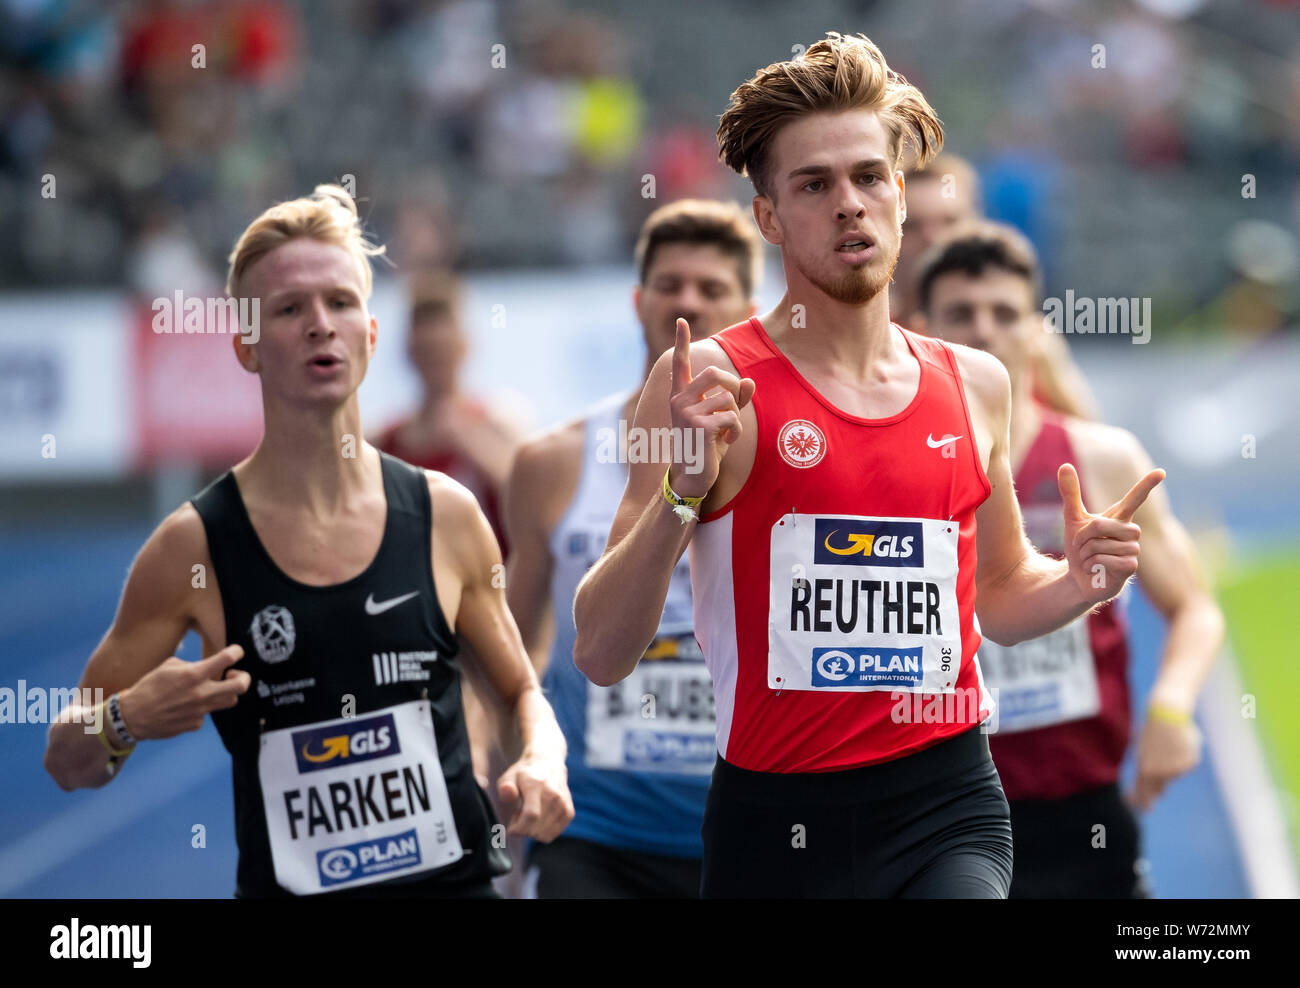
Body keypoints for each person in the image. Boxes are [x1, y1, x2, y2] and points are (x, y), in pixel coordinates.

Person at [572, 32, 1164, 899]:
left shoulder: (975, 383)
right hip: (775, 824)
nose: (849, 203)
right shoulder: (708, 380)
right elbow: (600, 650)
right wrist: (679, 494)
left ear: (900, 195)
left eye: (869, 177)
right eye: (814, 184)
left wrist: (1073, 583)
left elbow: (998, 598)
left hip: (946, 800)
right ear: (768, 217)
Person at [43, 185, 573, 898]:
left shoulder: (445, 515)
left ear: (371, 334)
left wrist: (541, 756)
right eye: (290, 309)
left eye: (341, 303)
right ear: (246, 347)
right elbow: (68, 761)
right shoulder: (194, 548)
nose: (321, 325)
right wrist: (124, 718)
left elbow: (518, 694)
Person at [913, 220, 1224, 897]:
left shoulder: (1100, 457)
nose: (984, 330)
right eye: (961, 314)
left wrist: (1170, 711)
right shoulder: (891, 467)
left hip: (1080, 809)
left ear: (1036, 328)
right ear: (921, 327)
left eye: (1005, 313)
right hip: (938, 810)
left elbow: (1194, 606)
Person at [506, 199, 760, 897]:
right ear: (638, 299)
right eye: (670, 284)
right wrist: (511, 763)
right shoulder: (553, 461)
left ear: (748, 307)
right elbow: (512, 648)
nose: (688, 302)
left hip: (745, 829)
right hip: (593, 835)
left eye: (712, 289)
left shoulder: (787, 464)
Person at [892, 153, 1097, 419]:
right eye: (915, 225)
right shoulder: (877, 337)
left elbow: (1082, 439)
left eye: (950, 221)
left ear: (976, 220)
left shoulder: (1027, 338)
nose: (934, 238)